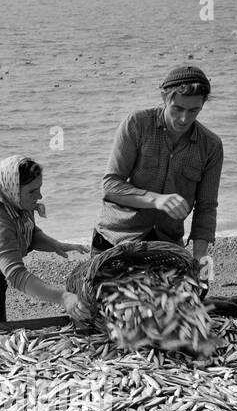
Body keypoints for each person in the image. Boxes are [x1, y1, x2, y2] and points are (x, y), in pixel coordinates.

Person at [93, 65, 224, 266]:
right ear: (164, 98)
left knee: (185, 295)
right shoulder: (136, 124)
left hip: (166, 245)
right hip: (116, 238)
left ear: (203, 103)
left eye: (193, 110)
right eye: (178, 109)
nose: (184, 119)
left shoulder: (211, 146)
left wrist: (200, 255)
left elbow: (206, 207)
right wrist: (156, 200)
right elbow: (110, 187)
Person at [0, 155, 90, 327]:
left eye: (39, 188)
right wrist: (63, 297)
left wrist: (55, 245)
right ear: (12, 188)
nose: (39, 196)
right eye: (32, 191)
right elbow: (16, 275)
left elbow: (29, 232)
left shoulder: (17, 204)